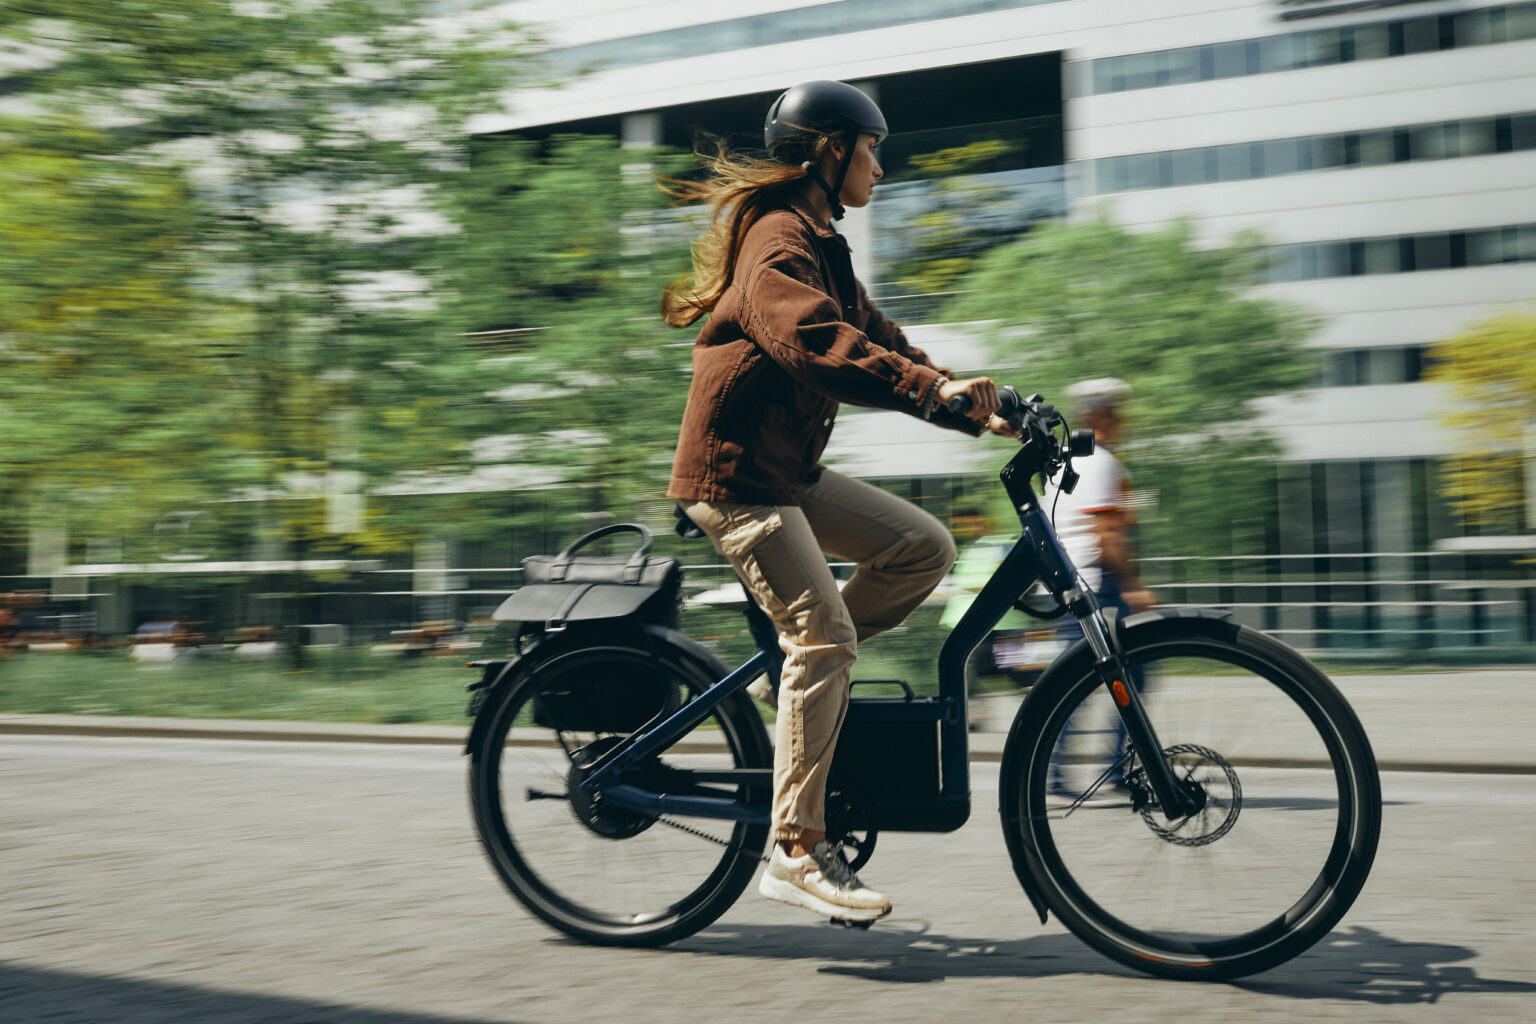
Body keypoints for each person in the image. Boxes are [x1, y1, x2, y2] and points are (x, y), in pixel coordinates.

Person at [663, 81, 1015, 924]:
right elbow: (817, 342)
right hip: (737, 478)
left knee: (923, 548)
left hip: (789, 472)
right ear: (830, 149)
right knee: (824, 633)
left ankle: (794, 689)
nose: (881, 167)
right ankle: (793, 849)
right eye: (872, 149)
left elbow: (879, 336)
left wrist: (976, 399)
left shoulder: (821, 242)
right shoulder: (778, 241)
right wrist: (931, 397)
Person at [1040, 378, 1157, 806]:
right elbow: (1107, 534)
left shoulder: (1061, 463)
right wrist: (1135, 586)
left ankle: (1054, 772)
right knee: (1134, 675)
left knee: (1075, 683)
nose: (1125, 420)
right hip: (1101, 586)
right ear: (1103, 415)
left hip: (1066, 582)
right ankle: (1118, 768)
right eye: (1120, 411)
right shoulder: (1104, 462)